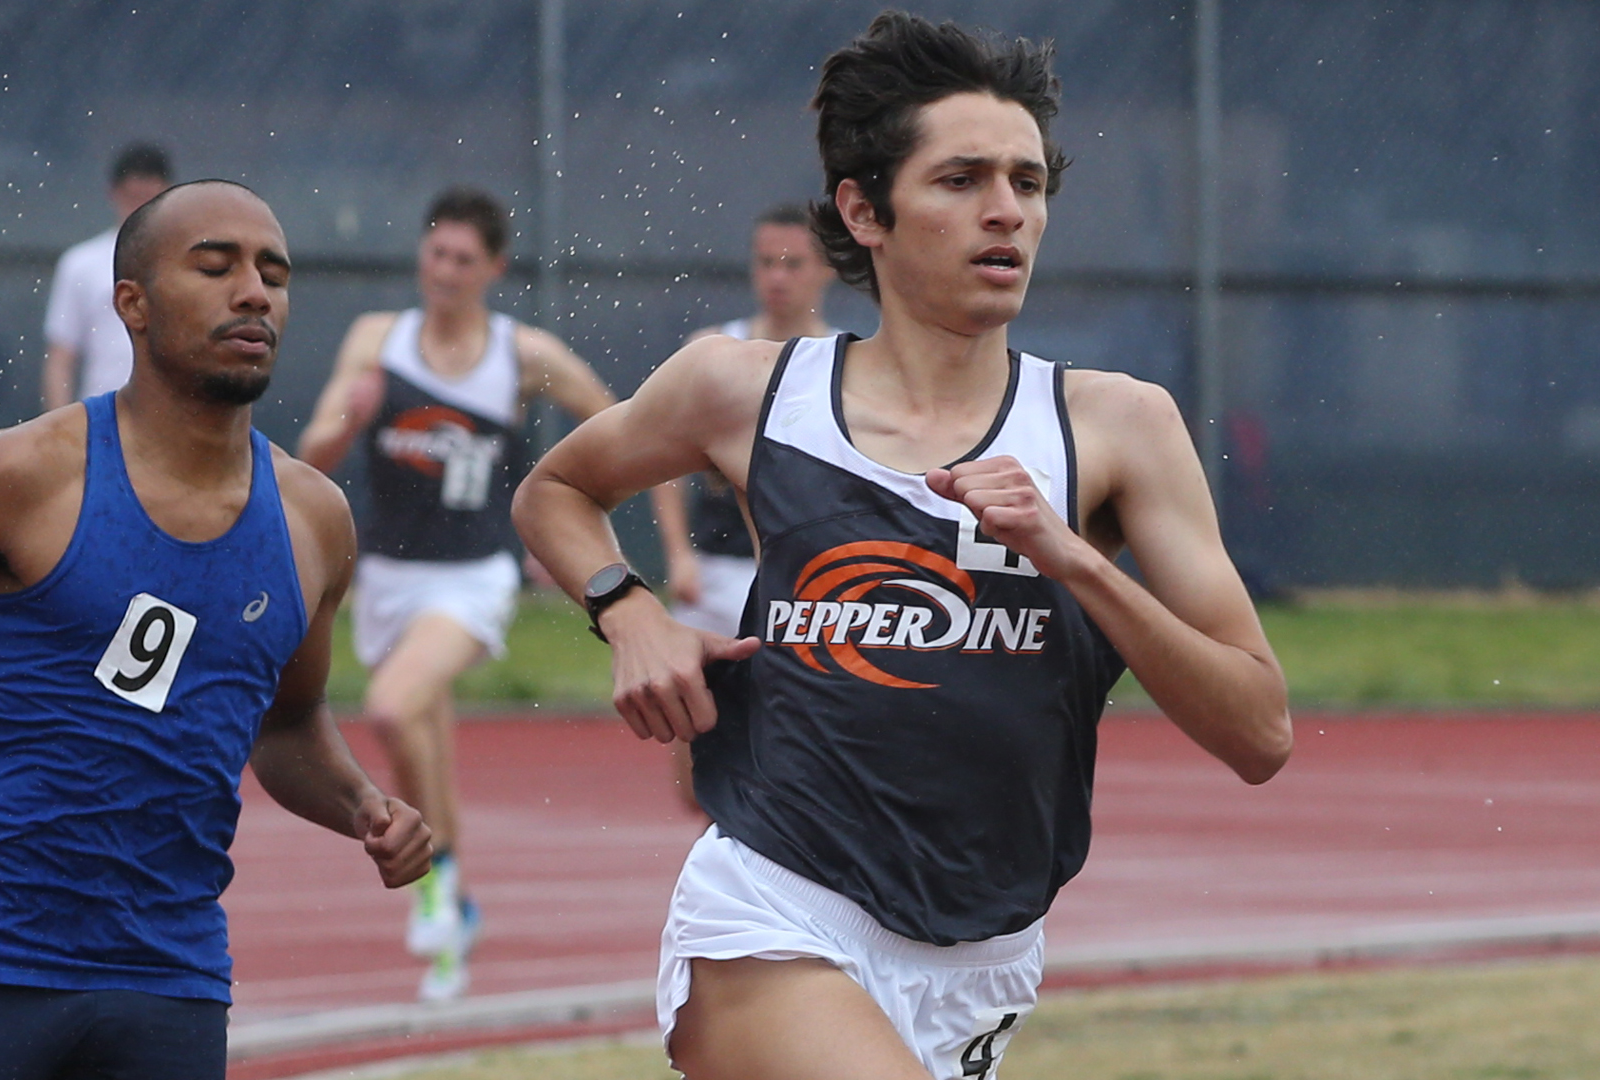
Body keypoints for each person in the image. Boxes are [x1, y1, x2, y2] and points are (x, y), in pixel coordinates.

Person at [513, 13, 1293, 1080]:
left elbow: (1258, 731)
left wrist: (1073, 560)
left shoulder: (1118, 428)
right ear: (862, 209)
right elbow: (555, 491)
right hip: (775, 902)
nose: (1006, 212)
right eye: (962, 179)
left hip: (987, 950)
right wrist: (629, 611)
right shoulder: (747, 391)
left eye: (1028, 182)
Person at [0, 179, 432, 1078]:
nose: (255, 292)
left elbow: (289, 720)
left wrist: (363, 806)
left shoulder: (312, 521)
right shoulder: (19, 476)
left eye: (274, 272)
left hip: (172, 978)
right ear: (131, 304)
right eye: (215, 267)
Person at [296, 186, 616, 1000]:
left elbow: (617, 425)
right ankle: (457, 900)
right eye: (436, 253)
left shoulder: (523, 354)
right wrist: (350, 417)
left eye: (463, 260)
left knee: (397, 707)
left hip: (474, 577)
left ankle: (435, 874)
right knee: (424, 734)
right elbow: (314, 455)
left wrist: (566, 524)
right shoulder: (379, 340)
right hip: (388, 578)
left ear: (493, 269)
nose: (444, 270)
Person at [650, 205, 841, 812]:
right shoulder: (712, 352)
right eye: (766, 262)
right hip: (717, 570)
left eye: (793, 263)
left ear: (827, 269)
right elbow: (661, 466)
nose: (777, 277)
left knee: (790, 754)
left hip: (803, 583)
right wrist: (678, 555)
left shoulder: (847, 362)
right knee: (695, 780)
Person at [41, 143, 174, 411]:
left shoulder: (186, 262)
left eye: (149, 199)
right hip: (102, 416)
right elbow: (61, 356)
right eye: (132, 197)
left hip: (174, 419)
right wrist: (60, 431)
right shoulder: (80, 263)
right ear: (113, 194)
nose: (139, 208)